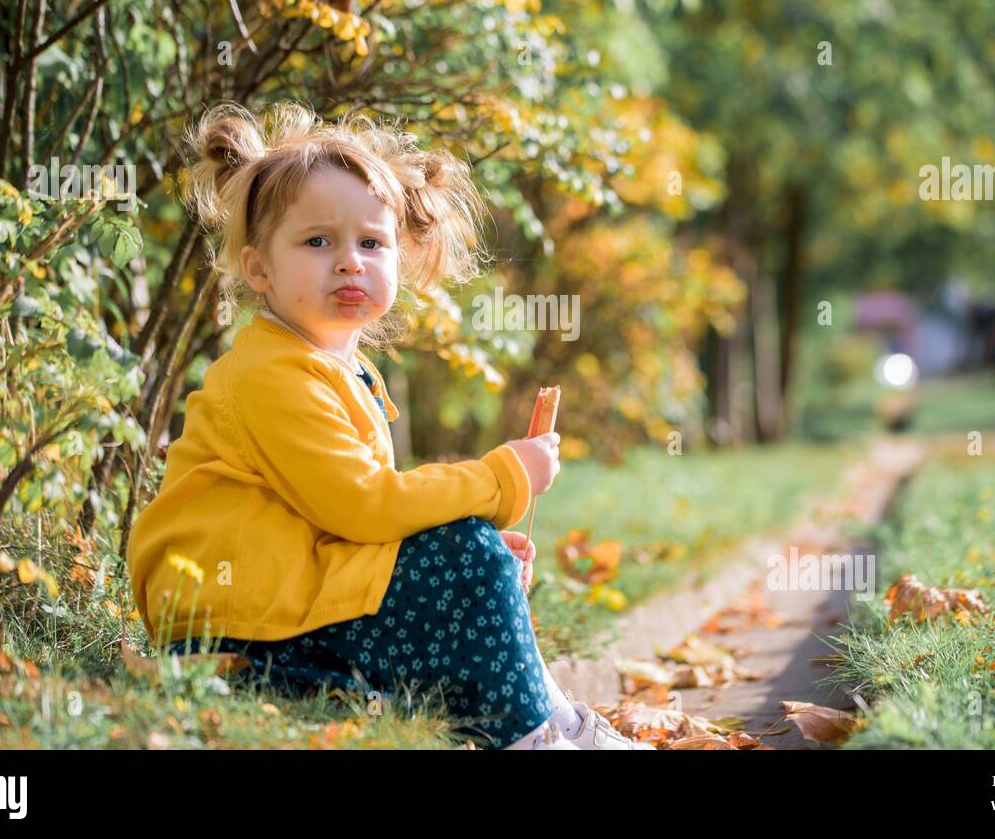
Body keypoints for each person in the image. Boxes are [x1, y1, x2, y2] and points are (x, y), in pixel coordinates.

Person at [127, 102, 649, 750]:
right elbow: (364, 506)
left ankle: (551, 718)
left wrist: (460, 541)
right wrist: (501, 476)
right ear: (259, 268)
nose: (350, 261)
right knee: (470, 554)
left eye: (371, 243)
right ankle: (534, 736)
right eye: (318, 241)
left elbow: (348, 519)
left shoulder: (337, 370)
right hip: (229, 628)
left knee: (471, 554)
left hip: (283, 608)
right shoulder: (270, 375)